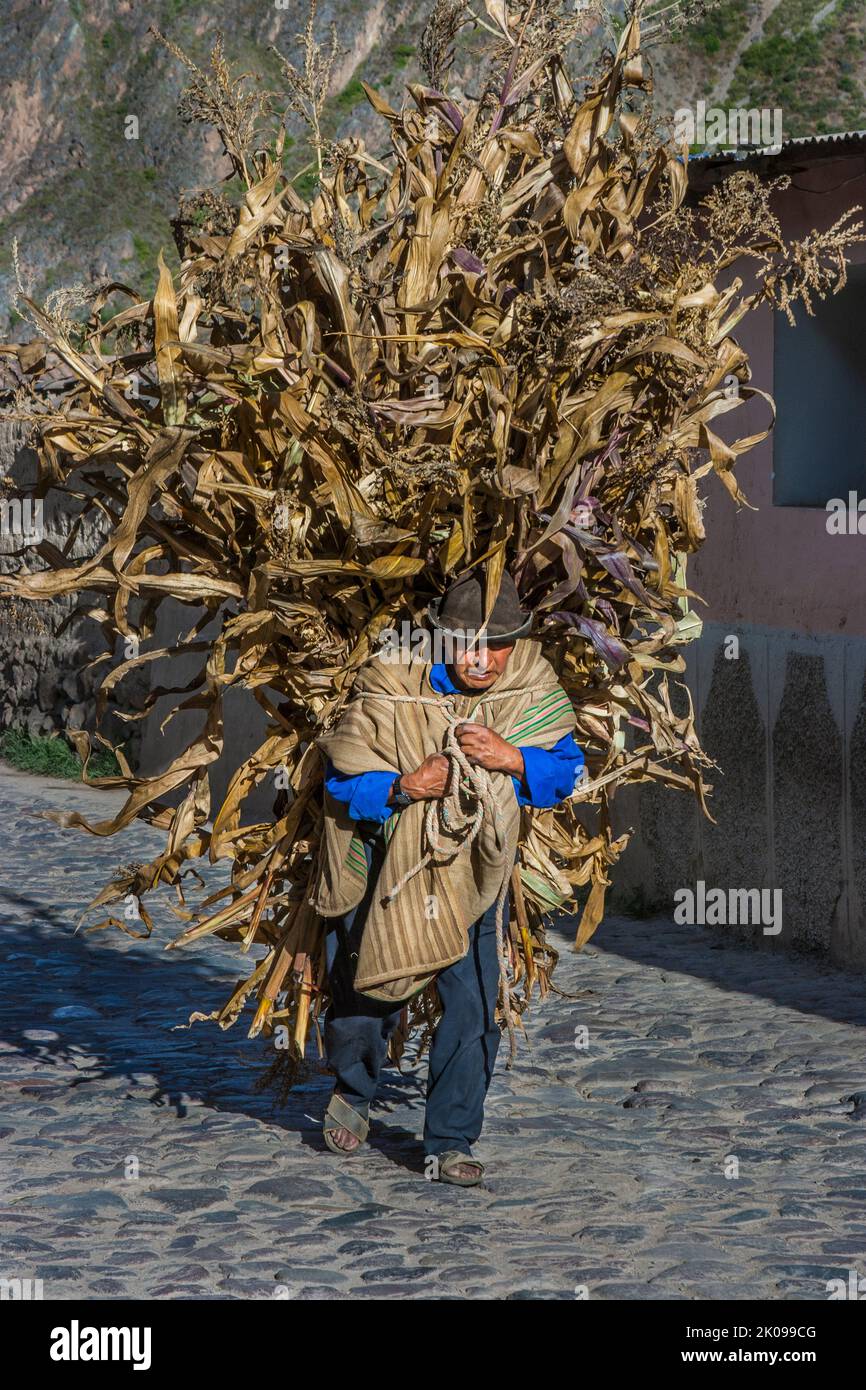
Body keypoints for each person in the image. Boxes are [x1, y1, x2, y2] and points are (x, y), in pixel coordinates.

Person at [312, 571, 583, 1185]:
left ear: (518, 642)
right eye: (466, 644)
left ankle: (450, 1139)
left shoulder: (530, 688)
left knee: (472, 1003)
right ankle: (353, 1096)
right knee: (365, 982)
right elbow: (340, 777)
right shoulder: (392, 686)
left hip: (473, 876)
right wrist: (405, 786)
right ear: (439, 640)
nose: (482, 659)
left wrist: (510, 757)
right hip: (390, 866)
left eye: (497, 645)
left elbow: (567, 772)